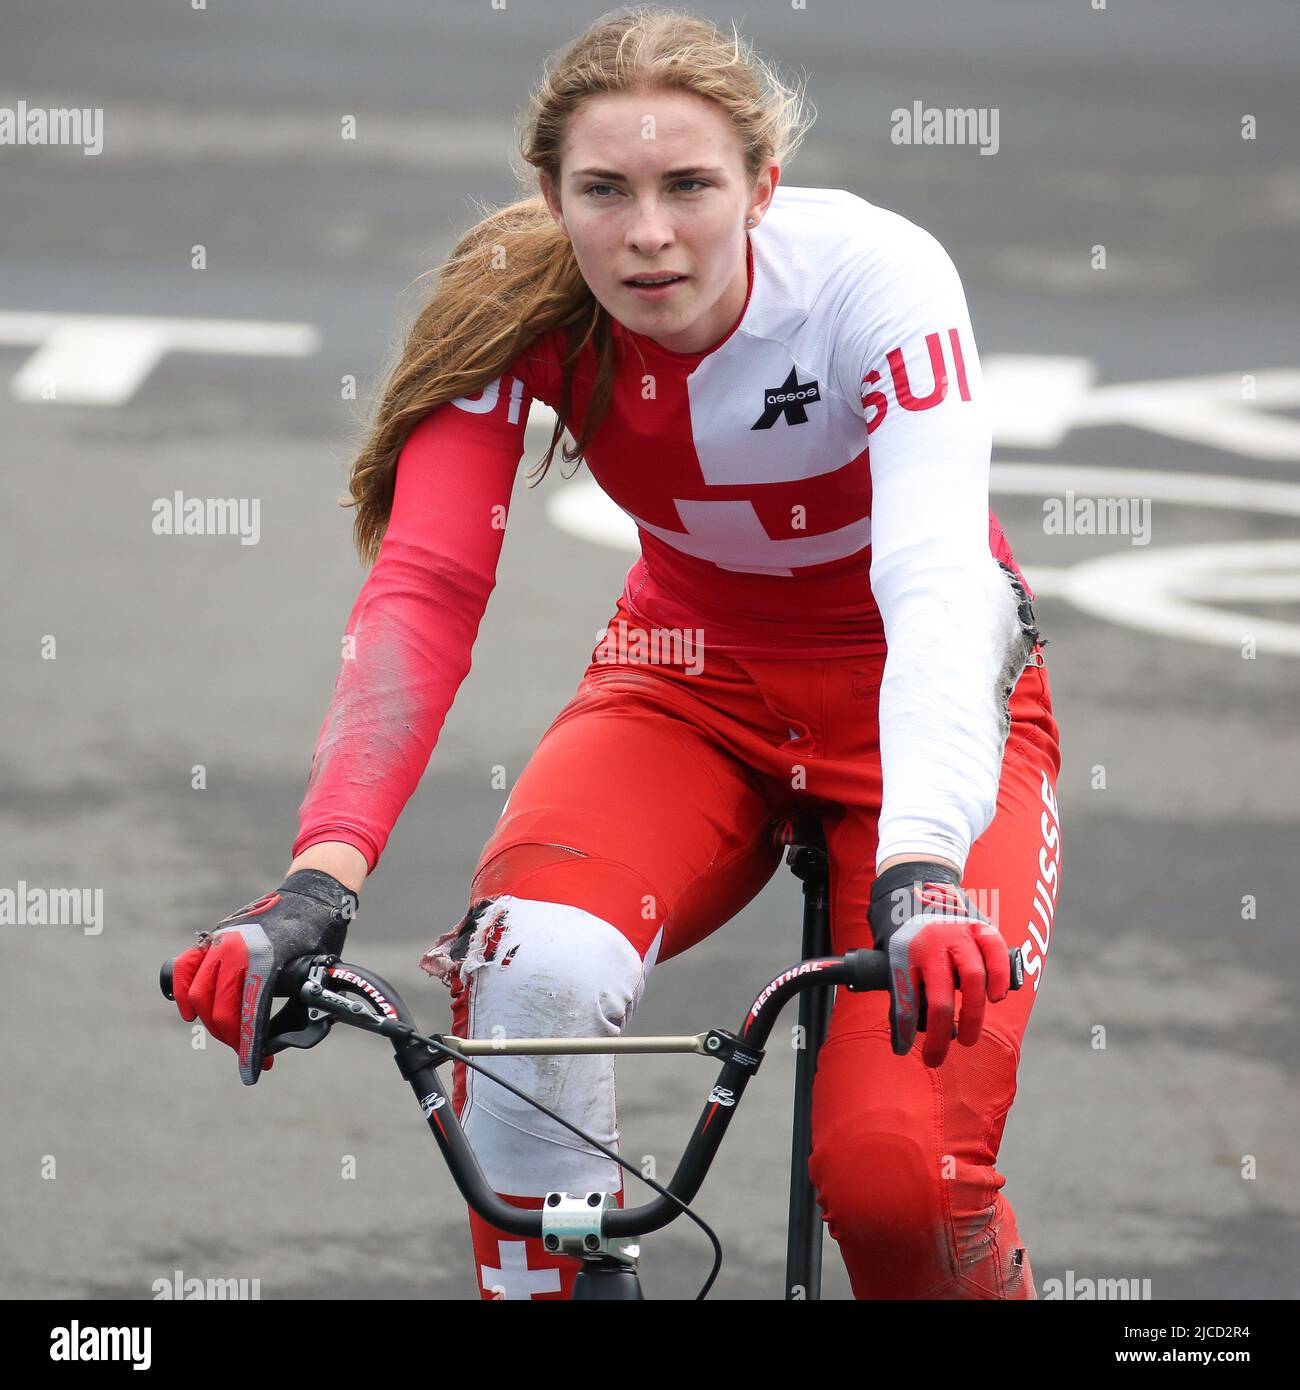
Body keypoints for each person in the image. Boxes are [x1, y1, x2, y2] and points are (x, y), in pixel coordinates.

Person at [170, 5, 1063, 1300]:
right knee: (532, 962)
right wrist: (316, 883)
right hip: (687, 680)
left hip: (920, 717)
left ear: (765, 182)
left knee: (894, 1178)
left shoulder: (880, 277)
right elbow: (425, 588)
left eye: (691, 185)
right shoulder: (512, 302)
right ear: (552, 192)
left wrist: (924, 863)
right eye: (606, 190)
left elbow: (935, 581)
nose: (649, 234)